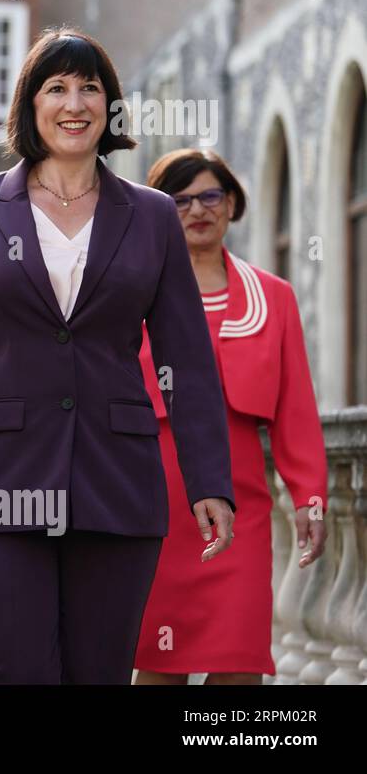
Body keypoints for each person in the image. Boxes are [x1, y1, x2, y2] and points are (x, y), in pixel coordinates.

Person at [0, 27, 237, 684]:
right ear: (31, 105)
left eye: (90, 88)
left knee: (98, 674)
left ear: (110, 107)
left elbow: (187, 363)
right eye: (56, 87)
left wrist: (210, 482)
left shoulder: (150, 216)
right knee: (13, 669)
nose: (74, 102)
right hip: (1, 483)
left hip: (117, 483)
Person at [134, 149, 327, 684]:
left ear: (233, 204)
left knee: (241, 661)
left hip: (241, 514)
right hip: (155, 509)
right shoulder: (132, 295)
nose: (197, 210)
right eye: (180, 200)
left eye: (211, 196)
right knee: (158, 662)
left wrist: (310, 497)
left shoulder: (275, 299)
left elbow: (297, 413)